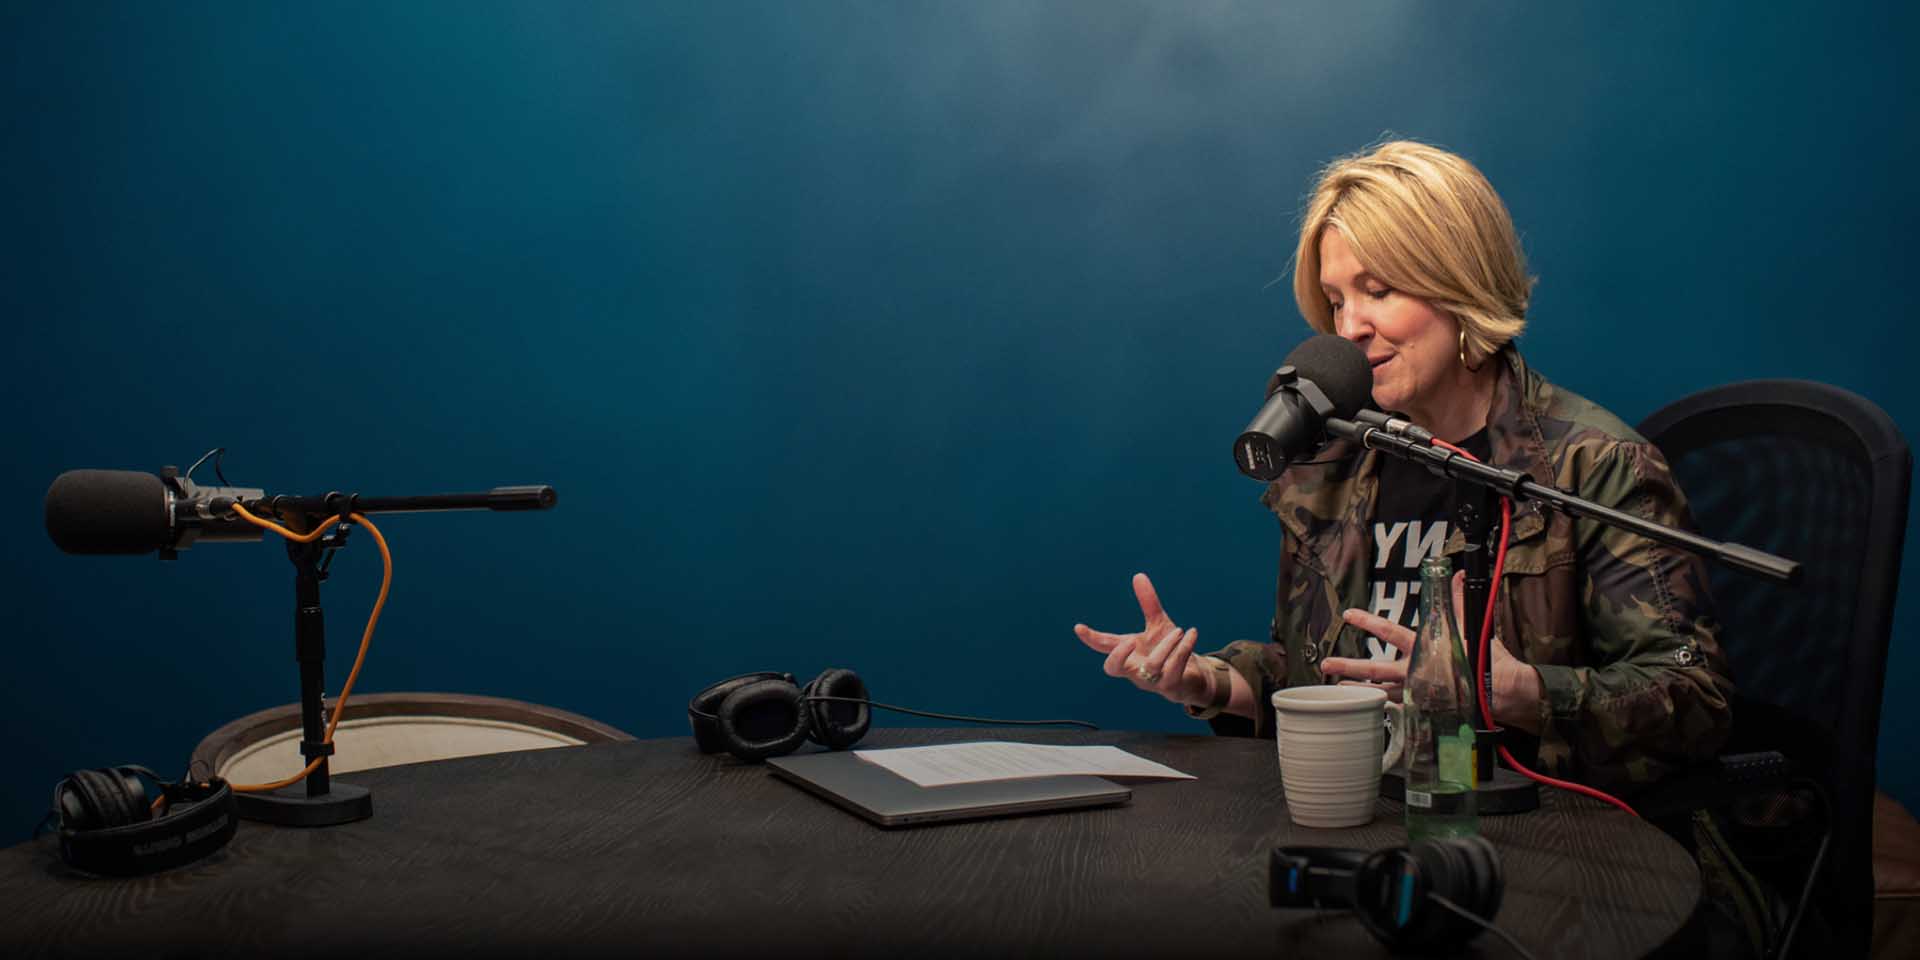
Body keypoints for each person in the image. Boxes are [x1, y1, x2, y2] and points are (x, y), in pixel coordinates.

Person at [1071, 139, 1734, 794]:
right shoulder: (1328, 468)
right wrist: (1203, 681)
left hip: (1537, 830)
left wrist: (1519, 692)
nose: (1350, 326)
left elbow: (1691, 695)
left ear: (1461, 282)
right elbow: (1309, 670)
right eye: (1336, 300)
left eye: (1378, 290)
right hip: (1370, 808)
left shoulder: (1596, 466)